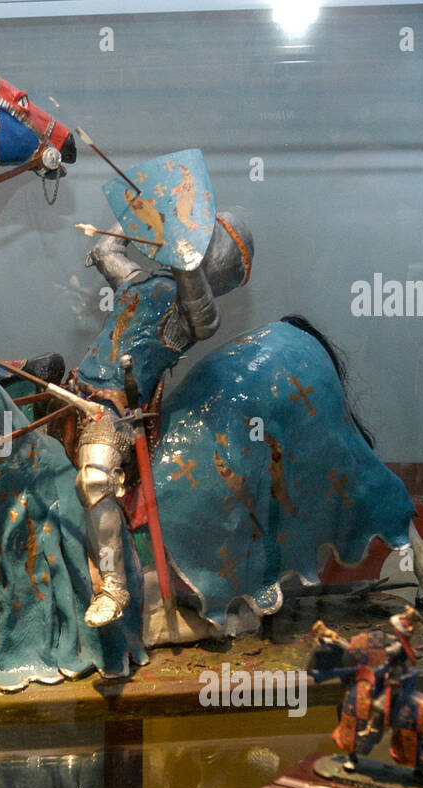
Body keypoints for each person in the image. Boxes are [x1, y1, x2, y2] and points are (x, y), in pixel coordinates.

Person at [72, 212, 253, 625]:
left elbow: (190, 277)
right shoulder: (140, 280)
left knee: (95, 479)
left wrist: (177, 239)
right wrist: (138, 211)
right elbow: (104, 249)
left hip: (115, 409)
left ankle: (112, 586)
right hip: (74, 388)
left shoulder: (196, 313)